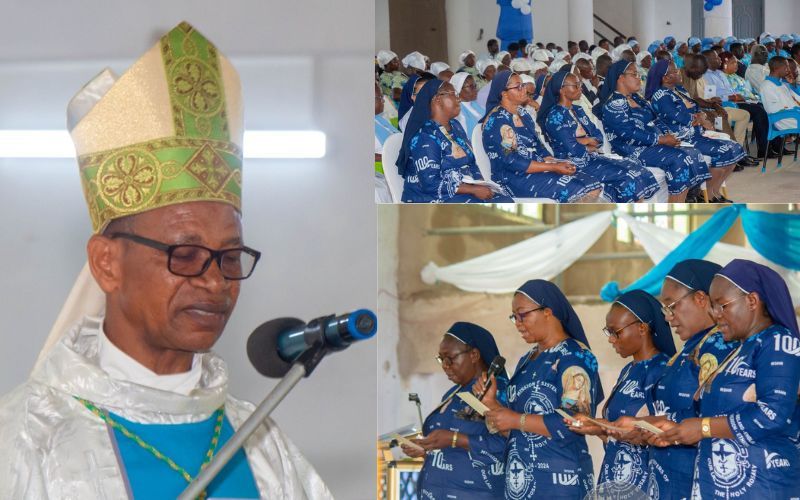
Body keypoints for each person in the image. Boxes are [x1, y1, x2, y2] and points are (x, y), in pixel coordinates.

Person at [0, 22, 332, 499]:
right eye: (186, 254)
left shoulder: (260, 443)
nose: (216, 282)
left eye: (230, 256)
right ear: (106, 262)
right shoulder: (28, 439)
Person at [655, 260, 800, 499]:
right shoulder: (735, 352)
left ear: (752, 301)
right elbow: (712, 411)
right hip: (719, 487)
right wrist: (673, 425)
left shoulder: (777, 342)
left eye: (722, 305)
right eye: (713, 306)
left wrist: (702, 428)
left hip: (763, 485)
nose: (715, 314)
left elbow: (773, 414)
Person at [480, 280, 604, 499]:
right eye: (514, 317)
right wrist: (492, 405)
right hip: (521, 484)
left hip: (560, 483)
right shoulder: (526, 360)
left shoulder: (573, 356)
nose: (517, 323)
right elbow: (516, 432)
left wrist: (515, 419)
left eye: (522, 315)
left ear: (548, 312)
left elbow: (576, 421)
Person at [634, 259, 738, 499]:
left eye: (672, 306)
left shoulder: (718, 346)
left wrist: (668, 426)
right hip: (670, 476)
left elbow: (723, 415)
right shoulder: (688, 351)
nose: (668, 318)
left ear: (701, 299)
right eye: (665, 310)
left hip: (699, 477)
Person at [568, 290, 675, 495]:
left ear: (642, 328)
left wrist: (607, 426)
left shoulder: (663, 371)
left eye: (615, 332)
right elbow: (618, 434)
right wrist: (597, 428)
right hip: (615, 478)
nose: (611, 339)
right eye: (608, 332)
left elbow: (662, 432)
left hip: (643, 483)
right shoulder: (628, 370)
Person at [401, 322, 509, 499]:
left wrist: (454, 439)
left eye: (449, 358)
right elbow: (450, 446)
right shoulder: (452, 395)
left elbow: (509, 445)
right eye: (441, 359)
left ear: (474, 355)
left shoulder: (499, 392)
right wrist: (426, 448)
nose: (444, 365)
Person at [481, 71, 602, 202]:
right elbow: (512, 161)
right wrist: (553, 167)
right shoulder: (498, 121)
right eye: (518, 87)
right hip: (514, 177)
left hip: (538, 167)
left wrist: (556, 162)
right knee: (576, 189)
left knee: (592, 183)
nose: (524, 90)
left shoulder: (523, 113)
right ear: (504, 93)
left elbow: (538, 145)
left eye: (523, 85)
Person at [598, 60, 710, 203]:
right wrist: (661, 140)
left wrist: (669, 136)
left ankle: (685, 199)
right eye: (634, 74)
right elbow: (628, 134)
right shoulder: (615, 103)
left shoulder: (638, 99)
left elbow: (657, 120)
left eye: (639, 74)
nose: (639, 78)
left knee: (693, 152)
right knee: (680, 159)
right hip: (631, 149)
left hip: (652, 143)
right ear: (621, 78)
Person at [540, 71, 659, 202]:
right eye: (576, 85)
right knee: (627, 177)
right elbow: (572, 149)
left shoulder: (578, 109)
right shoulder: (555, 116)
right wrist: (587, 143)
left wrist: (584, 141)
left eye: (580, 84)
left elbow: (597, 135)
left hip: (593, 157)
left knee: (637, 170)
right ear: (562, 90)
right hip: (574, 164)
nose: (580, 88)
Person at [397, 79, 512, 203]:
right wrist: (472, 190)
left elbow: (471, 163)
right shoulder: (425, 136)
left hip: (460, 192)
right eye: (453, 94)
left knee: (506, 201)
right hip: (431, 199)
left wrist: (482, 184)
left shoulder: (455, 126)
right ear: (437, 99)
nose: (459, 99)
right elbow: (430, 183)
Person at [646, 60, 746, 202]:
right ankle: (707, 195)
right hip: (682, 138)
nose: (679, 73)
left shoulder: (680, 90)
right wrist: (699, 118)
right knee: (724, 150)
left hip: (697, 133)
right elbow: (680, 117)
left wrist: (701, 117)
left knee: (735, 148)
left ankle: (714, 191)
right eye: (675, 71)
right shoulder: (660, 96)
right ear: (665, 77)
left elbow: (697, 109)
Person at [720, 51, 781, 160]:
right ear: (725, 65)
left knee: (769, 107)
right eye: (733, 63)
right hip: (736, 104)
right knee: (759, 111)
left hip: (749, 100)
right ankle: (764, 148)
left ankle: (776, 145)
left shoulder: (736, 76)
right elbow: (726, 95)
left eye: (736, 62)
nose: (736, 65)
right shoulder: (722, 77)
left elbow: (749, 91)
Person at [375, 80, 399, 202]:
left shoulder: (380, 119)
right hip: (382, 172)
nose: (383, 100)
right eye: (380, 97)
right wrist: (386, 157)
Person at [760, 56, 800, 131]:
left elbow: (795, 100)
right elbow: (773, 109)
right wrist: (796, 110)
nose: (788, 70)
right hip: (784, 119)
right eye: (786, 67)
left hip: (794, 115)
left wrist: (792, 85)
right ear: (776, 69)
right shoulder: (766, 86)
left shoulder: (783, 84)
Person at [451, 72, 485, 138]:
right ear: (458, 89)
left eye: (475, 85)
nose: (476, 89)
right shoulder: (457, 112)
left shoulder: (477, 104)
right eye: (471, 86)